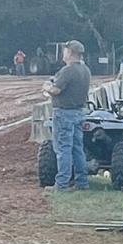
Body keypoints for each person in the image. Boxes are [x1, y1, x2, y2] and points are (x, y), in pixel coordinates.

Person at [43, 40, 92, 191]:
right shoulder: (85, 70)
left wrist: (47, 87)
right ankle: (82, 182)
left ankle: (62, 183)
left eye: (65, 51)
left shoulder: (68, 70)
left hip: (64, 113)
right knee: (78, 148)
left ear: (70, 53)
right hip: (79, 112)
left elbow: (56, 90)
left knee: (63, 148)